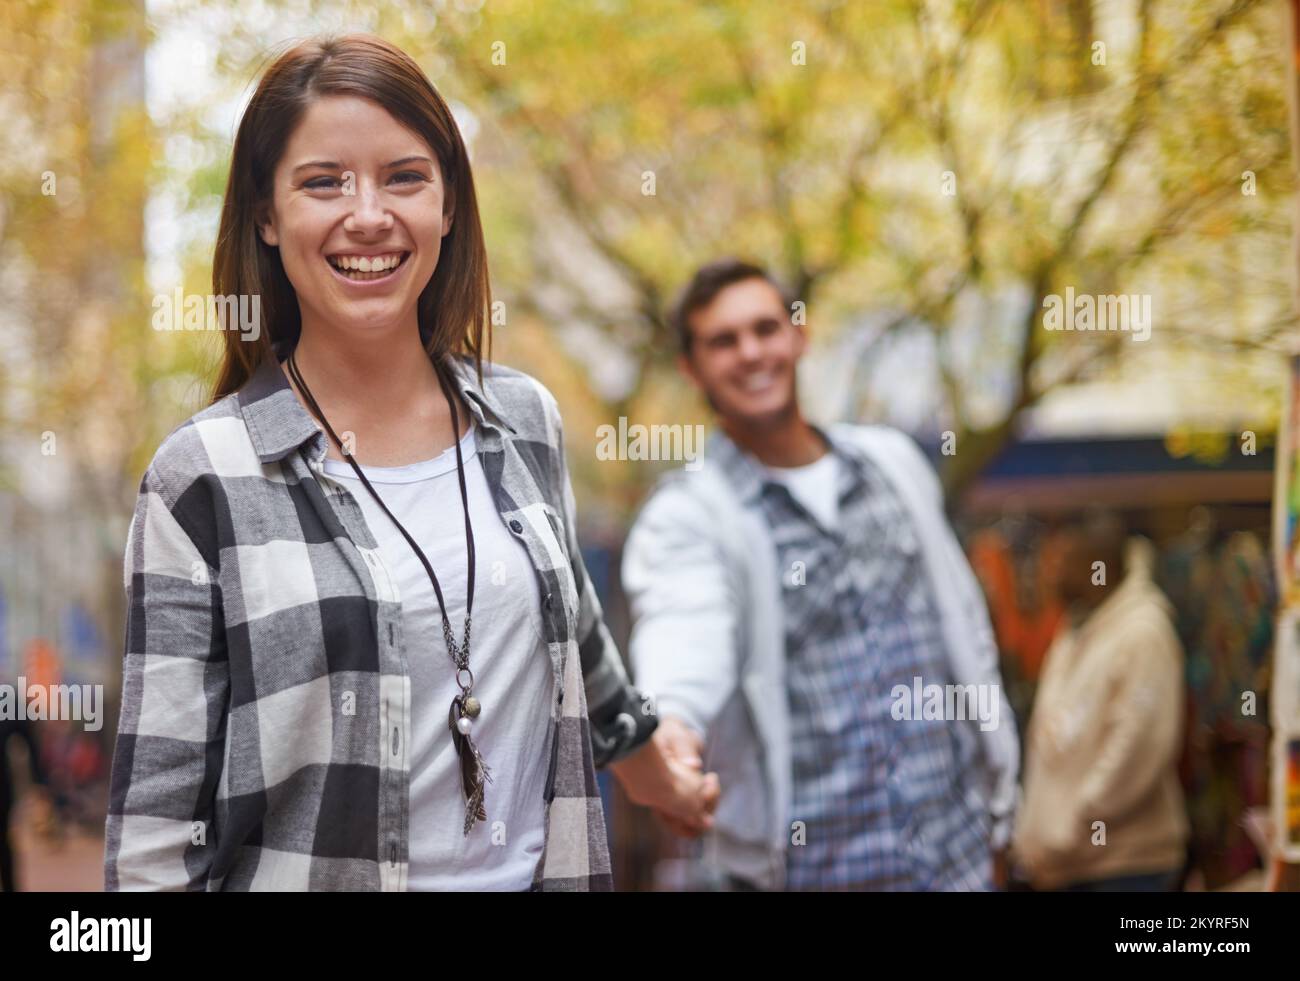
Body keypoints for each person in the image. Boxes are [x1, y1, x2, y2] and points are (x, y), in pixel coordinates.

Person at [104, 33, 716, 892]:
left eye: (404, 176)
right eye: (324, 181)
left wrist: (666, 774)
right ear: (267, 217)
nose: (368, 214)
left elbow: (572, 635)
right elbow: (154, 840)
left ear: (449, 206)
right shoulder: (202, 476)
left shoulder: (525, 421)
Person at [621, 259, 1019, 890]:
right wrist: (673, 728)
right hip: (815, 872)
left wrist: (1000, 798)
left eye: (765, 328)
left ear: (799, 336)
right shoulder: (691, 515)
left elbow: (962, 627)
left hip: (958, 861)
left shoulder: (893, 464)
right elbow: (684, 627)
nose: (751, 352)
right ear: (692, 369)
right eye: (723, 341)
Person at [1013, 515, 1189, 891]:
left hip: (1122, 866)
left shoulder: (1143, 632)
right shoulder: (1075, 629)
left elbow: (1137, 747)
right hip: (1073, 864)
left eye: (1063, 562)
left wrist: (1073, 825)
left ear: (1098, 567)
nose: (1050, 573)